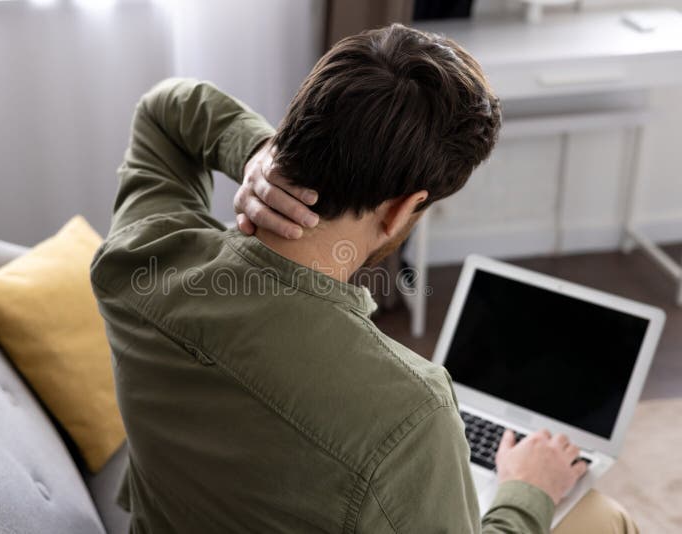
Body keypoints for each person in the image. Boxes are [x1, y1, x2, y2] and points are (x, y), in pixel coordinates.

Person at [91, 23, 638, 533]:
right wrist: (527, 492)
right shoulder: (411, 413)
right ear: (403, 210)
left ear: (298, 134)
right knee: (606, 517)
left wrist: (257, 152)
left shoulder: (141, 260)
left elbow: (163, 111)